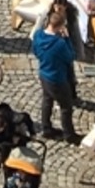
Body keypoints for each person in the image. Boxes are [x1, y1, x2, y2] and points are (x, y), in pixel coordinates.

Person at [31, 8, 80, 141]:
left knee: (47, 101)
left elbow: (35, 51)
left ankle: (46, 128)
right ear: (60, 26)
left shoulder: (38, 35)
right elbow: (70, 57)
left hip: (44, 74)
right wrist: (67, 39)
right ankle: (69, 135)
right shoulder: (59, 44)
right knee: (66, 107)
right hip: (57, 79)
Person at [0, 100, 37, 168]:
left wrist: (32, 133)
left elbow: (25, 117)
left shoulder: (15, 118)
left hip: (17, 138)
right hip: (3, 143)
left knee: (20, 158)